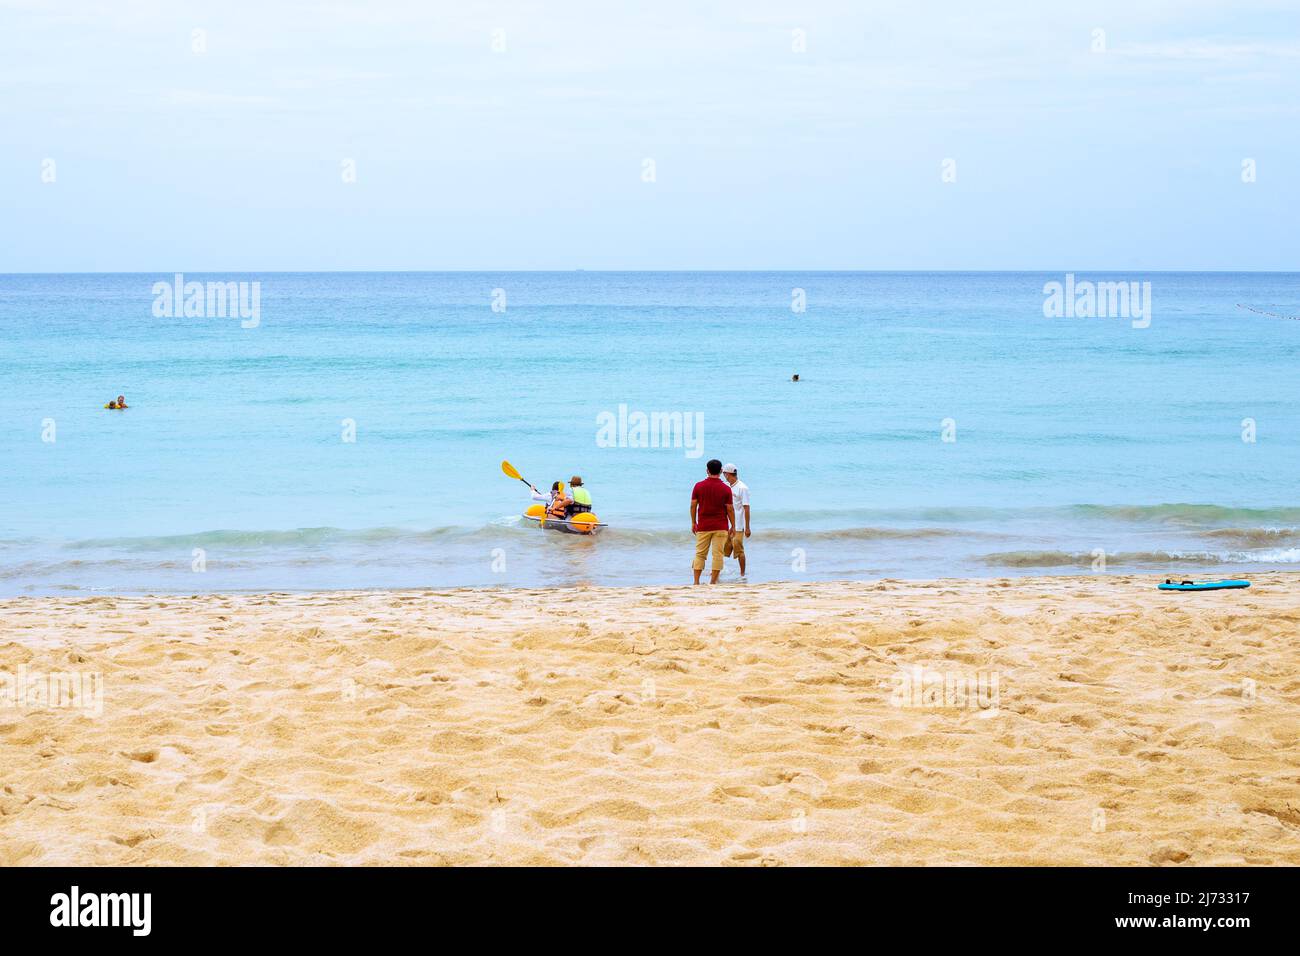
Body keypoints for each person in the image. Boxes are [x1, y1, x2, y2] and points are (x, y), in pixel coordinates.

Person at [690, 459, 734, 585]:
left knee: (700, 554)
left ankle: (696, 582)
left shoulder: (698, 486)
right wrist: (733, 525)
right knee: (718, 555)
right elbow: (729, 509)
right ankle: (713, 581)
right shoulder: (726, 489)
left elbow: (693, 505)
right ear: (721, 471)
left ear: (707, 471)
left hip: (703, 526)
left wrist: (693, 522)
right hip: (720, 526)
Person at [721, 463, 750, 576]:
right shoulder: (727, 486)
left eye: (724, 473)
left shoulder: (742, 488)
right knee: (722, 549)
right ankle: (717, 571)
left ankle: (742, 574)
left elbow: (746, 507)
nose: (723, 475)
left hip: (738, 525)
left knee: (739, 551)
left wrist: (747, 527)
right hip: (726, 524)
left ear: (728, 474)